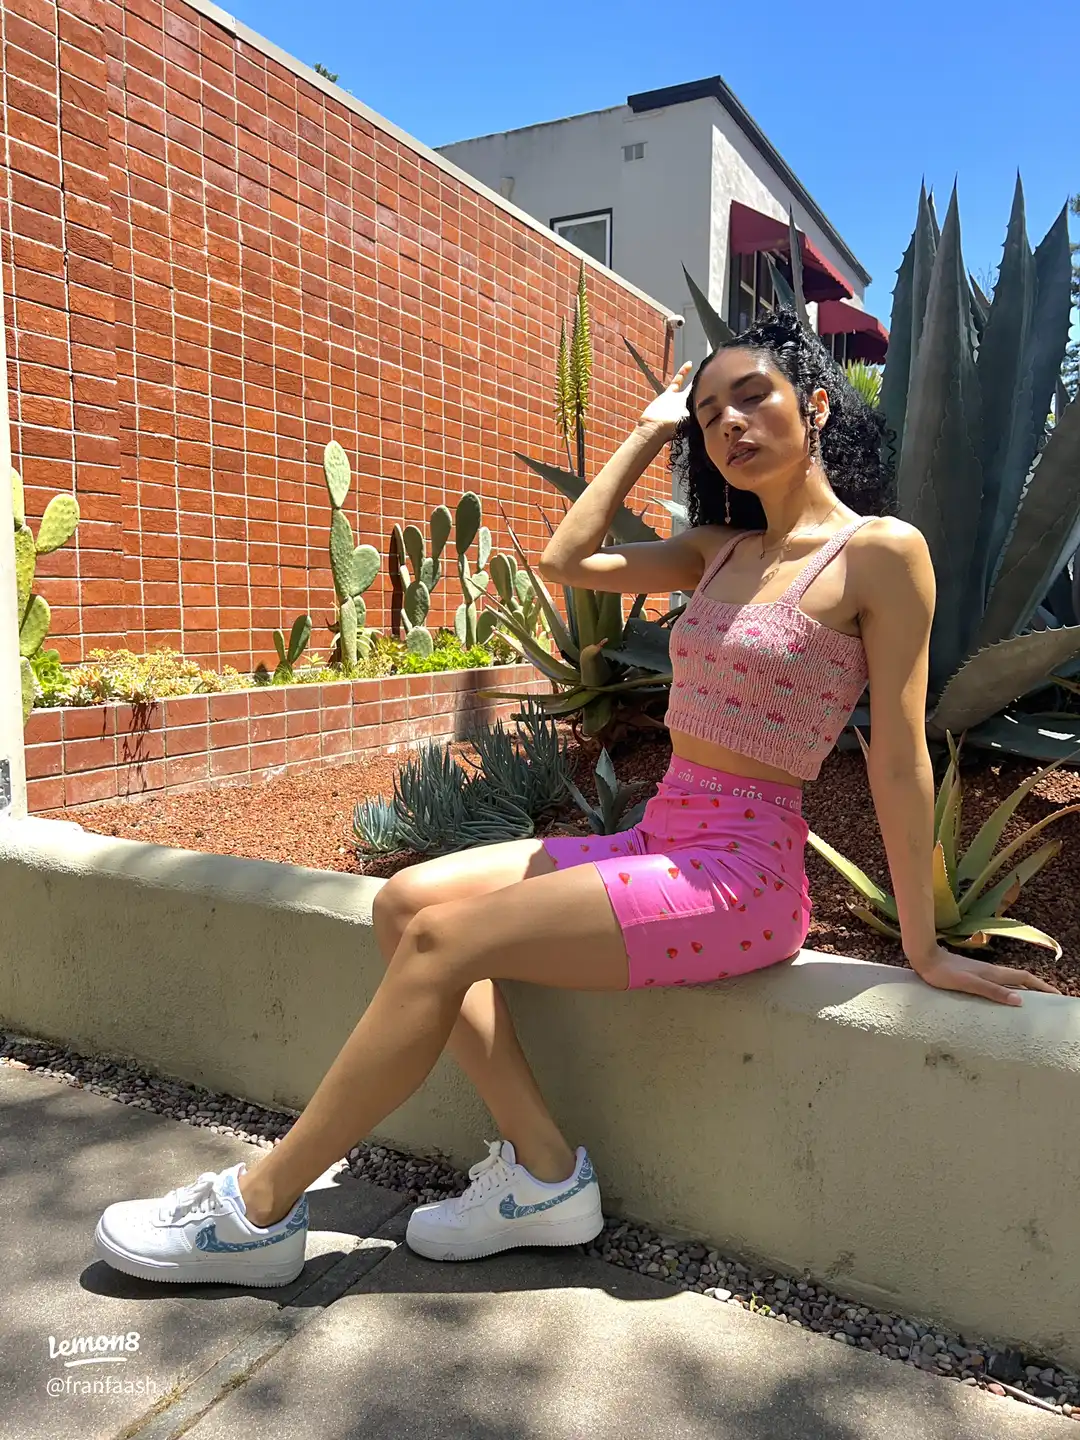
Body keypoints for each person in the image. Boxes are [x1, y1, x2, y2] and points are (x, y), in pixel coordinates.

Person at [93, 309, 1058, 1287]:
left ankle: (260, 1208)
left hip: (742, 874)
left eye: (752, 395)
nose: (727, 422)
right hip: (661, 836)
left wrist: (923, 939)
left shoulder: (881, 553)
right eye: (709, 409)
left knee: (444, 941)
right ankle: (544, 1177)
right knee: (405, 905)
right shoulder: (715, 551)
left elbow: (899, 754)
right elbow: (566, 559)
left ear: (816, 404)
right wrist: (650, 427)